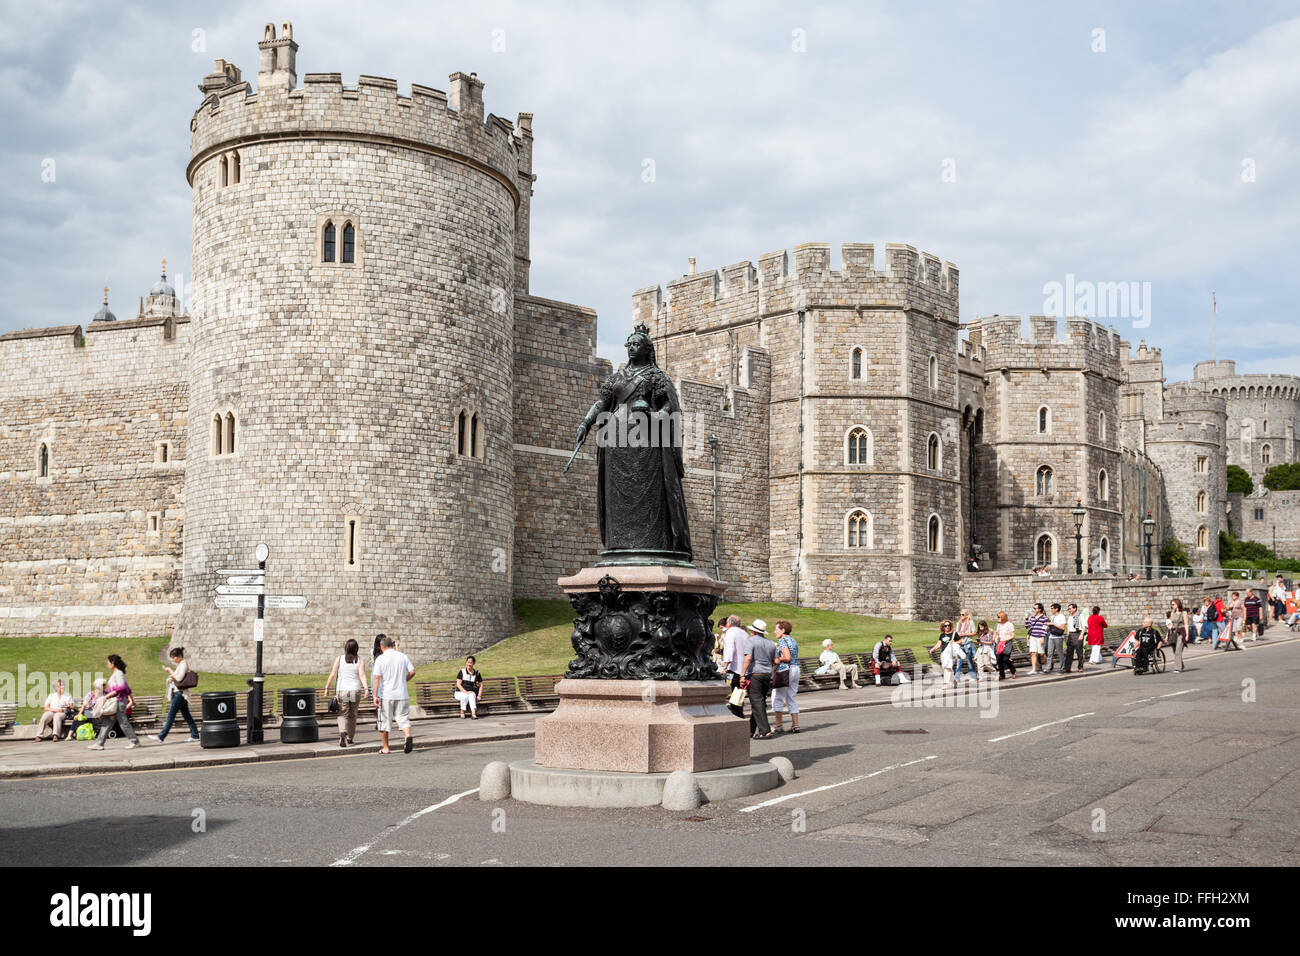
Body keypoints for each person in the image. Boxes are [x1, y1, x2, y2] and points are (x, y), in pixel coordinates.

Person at [370, 634, 415, 754]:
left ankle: (386, 747)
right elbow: (412, 672)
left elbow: (376, 678)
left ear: (382, 647)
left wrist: (375, 696)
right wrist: (404, 680)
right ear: (393, 645)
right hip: (402, 694)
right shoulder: (403, 656)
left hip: (387, 695)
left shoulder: (380, 659)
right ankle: (407, 736)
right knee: (403, 719)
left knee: (384, 722)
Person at [323, 639, 369, 746]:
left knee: (343, 713)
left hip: (343, 690)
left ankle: (342, 733)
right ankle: (350, 737)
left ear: (346, 648)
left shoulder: (339, 659)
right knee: (352, 715)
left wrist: (327, 688)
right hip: (354, 690)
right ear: (356, 649)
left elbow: (332, 674)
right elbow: (362, 675)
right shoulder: (360, 660)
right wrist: (366, 688)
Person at [88, 654, 139, 750]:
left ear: (113, 663)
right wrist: (132, 700)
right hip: (117, 701)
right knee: (108, 722)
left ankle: (134, 741)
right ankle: (99, 743)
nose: (107, 664)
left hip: (119, 701)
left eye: (108, 662)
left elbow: (122, 687)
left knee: (123, 722)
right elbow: (128, 688)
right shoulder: (117, 674)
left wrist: (107, 696)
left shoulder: (118, 673)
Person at [150, 647, 199, 744]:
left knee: (170, 716)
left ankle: (161, 737)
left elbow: (180, 679)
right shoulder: (181, 664)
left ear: (179, 656)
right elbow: (178, 678)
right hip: (181, 694)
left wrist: (170, 671)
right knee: (187, 716)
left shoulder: (183, 664)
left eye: (174, 657)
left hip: (179, 694)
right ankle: (195, 735)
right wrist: (172, 678)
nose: (173, 659)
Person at [740, 620, 777, 739]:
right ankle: (750, 730)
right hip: (766, 675)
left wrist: (742, 675)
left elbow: (748, 658)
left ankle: (765, 731)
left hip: (755, 674)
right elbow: (776, 661)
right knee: (759, 702)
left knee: (757, 702)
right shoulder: (771, 643)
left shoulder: (751, 641)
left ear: (753, 631)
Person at [771, 621, 800, 734]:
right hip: (795, 669)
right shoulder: (793, 640)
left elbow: (787, 657)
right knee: (791, 697)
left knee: (777, 697)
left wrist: (778, 659)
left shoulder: (782, 640)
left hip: (785, 670)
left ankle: (778, 725)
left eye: (776, 629)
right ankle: (795, 724)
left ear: (783, 630)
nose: (774, 631)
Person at [720, 614, 748, 692]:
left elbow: (730, 649)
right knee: (739, 694)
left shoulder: (731, 632)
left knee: (731, 691)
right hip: (743, 669)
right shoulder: (745, 633)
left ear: (730, 624)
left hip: (733, 668)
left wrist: (725, 666)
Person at [1024, 603, 1049, 674]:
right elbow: (1027, 626)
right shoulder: (1032, 617)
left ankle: (1047, 665)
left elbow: (1045, 628)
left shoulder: (1044, 618)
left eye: (1035, 608)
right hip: (1033, 637)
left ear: (1040, 609)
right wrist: (1026, 618)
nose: (1034, 610)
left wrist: (1043, 637)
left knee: (1041, 653)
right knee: (1033, 653)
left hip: (1040, 637)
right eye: (1034, 608)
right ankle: (1034, 669)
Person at [1062, 603, 1086, 673]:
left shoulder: (1080, 616)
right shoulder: (1070, 617)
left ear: (1074, 608)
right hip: (1071, 635)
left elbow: (1084, 626)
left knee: (1079, 652)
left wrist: (1081, 635)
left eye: (1070, 608)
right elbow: (1069, 627)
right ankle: (1068, 667)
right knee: (1069, 652)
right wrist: (1068, 635)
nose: (1069, 610)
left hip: (1078, 633)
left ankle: (1080, 667)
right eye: (1068, 609)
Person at [1168, 599, 1190, 673]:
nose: (1172, 606)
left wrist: (1187, 634)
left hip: (1181, 632)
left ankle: (1178, 668)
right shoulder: (1172, 613)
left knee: (1178, 650)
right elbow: (1171, 624)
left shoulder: (1184, 613)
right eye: (1171, 604)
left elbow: (1186, 624)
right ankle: (1181, 664)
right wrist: (1167, 635)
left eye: (1173, 604)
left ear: (1178, 604)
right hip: (1174, 633)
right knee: (1174, 650)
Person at [994, 612, 1017, 680]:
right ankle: (1002, 675)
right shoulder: (998, 625)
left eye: (999, 617)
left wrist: (1007, 639)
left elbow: (1013, 635)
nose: (997, 618)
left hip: (1007, 643)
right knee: (999, 660)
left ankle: (1013, 671)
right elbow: (997, 633)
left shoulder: (1009, 624)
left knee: (1006, 659)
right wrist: (996, 638)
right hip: (1000, 643)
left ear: (1003, 617)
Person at [1045, 602, 1067, 673]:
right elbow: (1052, 627)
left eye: (1052, 608)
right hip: (1051, 636)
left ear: (1056, 609)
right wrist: (1048, 627)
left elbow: (1063, 628)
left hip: (1058, 637)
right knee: (1049, 653)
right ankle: (1048, 667)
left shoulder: (1062, 617)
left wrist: (1053, 624)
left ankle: (1062, 667)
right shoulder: (1052, 617)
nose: (1051, 610)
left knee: (1060, 652)